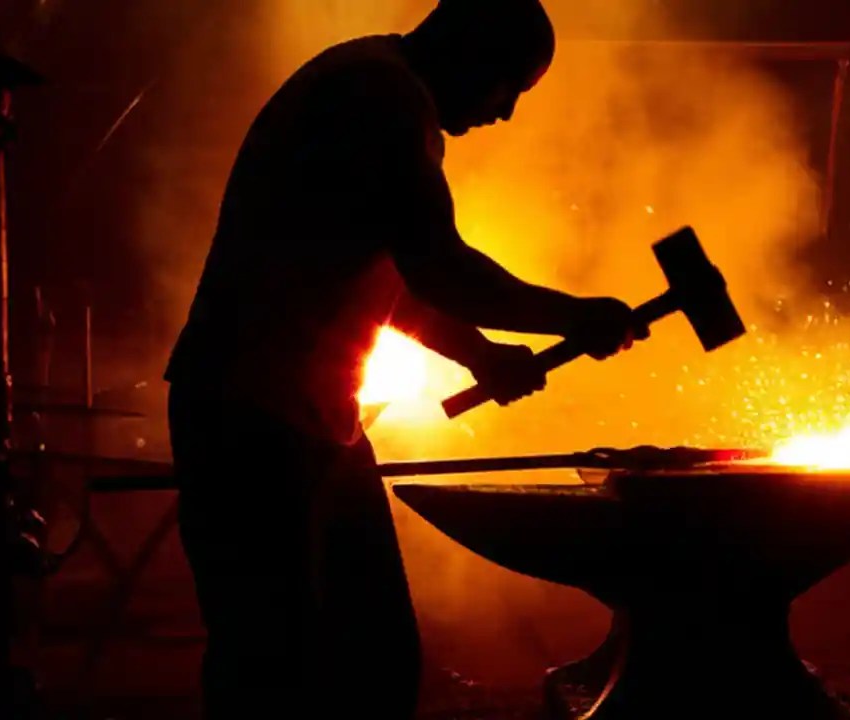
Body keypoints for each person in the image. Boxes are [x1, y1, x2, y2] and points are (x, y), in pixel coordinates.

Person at [163, 1, 642, 716]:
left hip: (309, 421)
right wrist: (574, 315)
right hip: (253, 419)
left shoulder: (373, 84)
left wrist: (480, 354)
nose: (505, 112)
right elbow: (440, 267)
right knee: (276, 661)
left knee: (371, 653)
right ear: (472, 47)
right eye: (509, 86)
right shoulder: (379, 96)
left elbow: (395, 280)